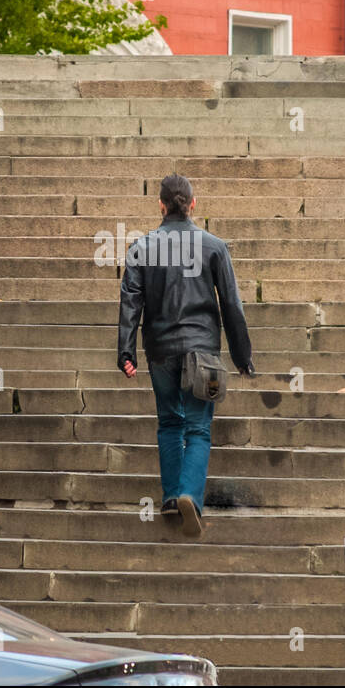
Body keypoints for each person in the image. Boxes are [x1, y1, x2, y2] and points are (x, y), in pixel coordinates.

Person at [117, 174, 255, 538]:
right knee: (197, 428)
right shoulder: (213, 246)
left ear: (160, 205)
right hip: (203, 352)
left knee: (169, 423)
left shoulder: (142, 247)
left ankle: (169, 497)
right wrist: (242, 355)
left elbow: (131, 300)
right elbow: (231, 305)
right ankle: (190, 496)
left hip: (160, 349)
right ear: (193, 204)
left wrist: (126, 350)